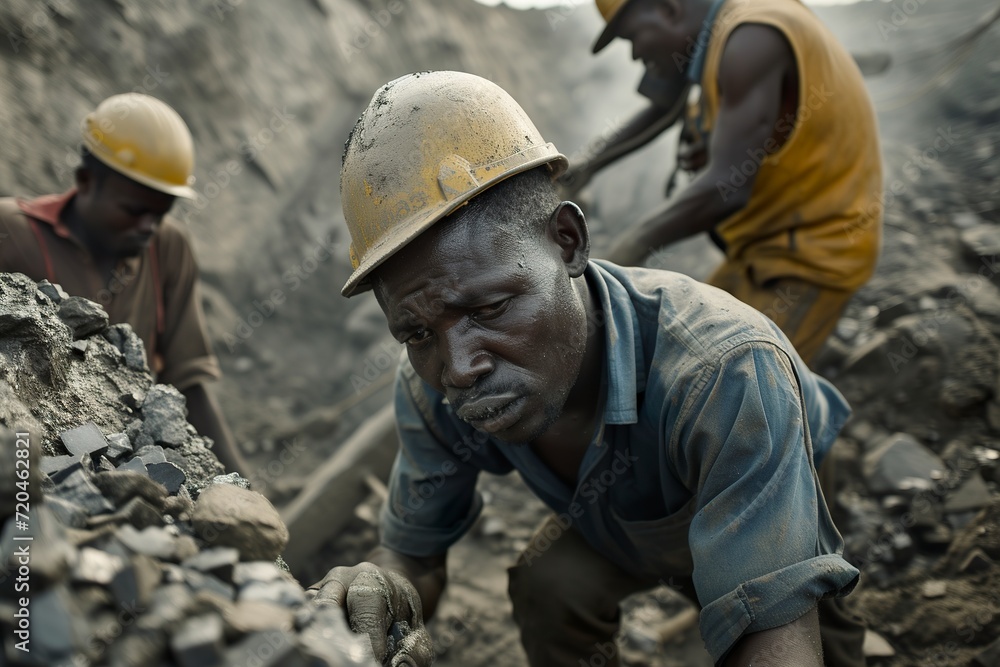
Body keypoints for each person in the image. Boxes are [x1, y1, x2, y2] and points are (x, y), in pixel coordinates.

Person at [308, 71, 862, 667]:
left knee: (801, 623)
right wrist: (380, 592)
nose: (459, 367)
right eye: (416, 333)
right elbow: (413, 557)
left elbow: (774, 640)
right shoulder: (431, 387)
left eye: (490, 308)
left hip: (771, 467)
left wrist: (767, 619)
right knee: (551, 589)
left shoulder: (727, 370)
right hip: (620, 513)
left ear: (567, 243)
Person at [563, 0, 883, 365]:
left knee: (745, 391)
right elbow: (663, 106)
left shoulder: (753, 36)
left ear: (668, 9)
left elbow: (725, 186)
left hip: (812, 257)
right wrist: (584, 166)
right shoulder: (714, 32)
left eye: (632, 36)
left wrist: (615, 260)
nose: (635, 54)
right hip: (763, 247)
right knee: (683, 365)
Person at [0, 93, 249, 476]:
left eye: (161, 213)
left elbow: (189, 381)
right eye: (134, 211)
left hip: (131, 461)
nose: (148, 227)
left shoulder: (169, 247)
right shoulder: (13, 235)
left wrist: (242, 487)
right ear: (85, 181)